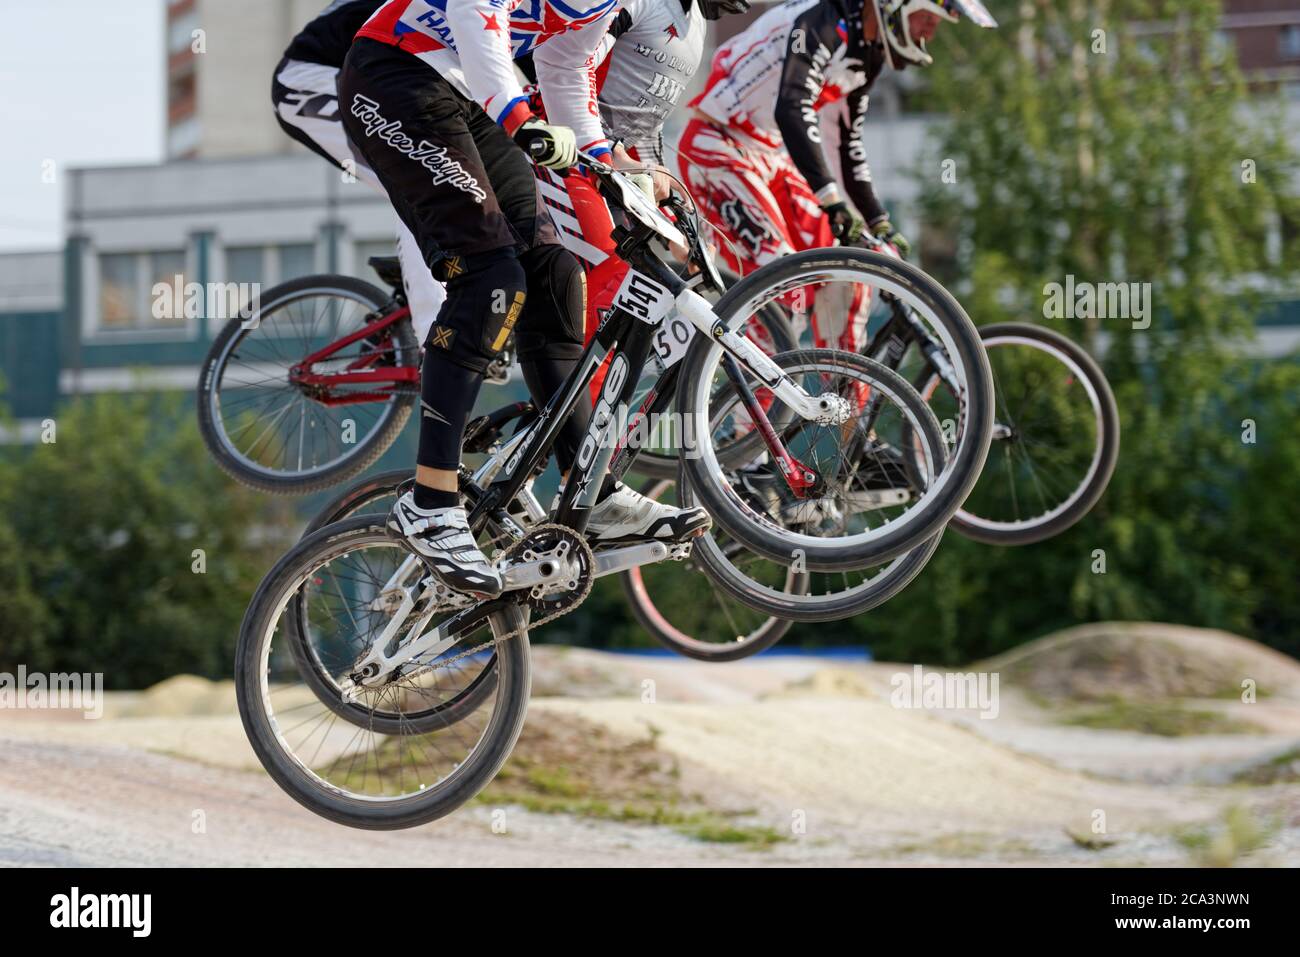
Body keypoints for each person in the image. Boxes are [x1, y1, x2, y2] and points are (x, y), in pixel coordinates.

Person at [339, 0, 711, 599]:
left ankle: (593, 489)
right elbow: (473, 13)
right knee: (488, 281)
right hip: (397, 78)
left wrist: (614, 163)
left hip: (476, 103)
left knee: (555, 275)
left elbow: (563, 73)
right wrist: (518, 116)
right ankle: (432, 502)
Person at [677, 0, 997, 350]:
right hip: (715, 147)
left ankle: (844, 399)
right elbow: (792, 107)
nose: (930, 32)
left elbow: (844, 143)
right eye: (927, 18)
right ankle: (743, 400)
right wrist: (831, 200)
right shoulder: (823, 19)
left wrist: (878, 222)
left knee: (852, 272)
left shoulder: (866, 51)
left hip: (767, 154)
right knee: (786, 292)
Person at [271, 1, 445, 345]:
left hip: (360, 80)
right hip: (311, 83)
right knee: (421, 185)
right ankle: (433, 335)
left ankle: (409, 303)